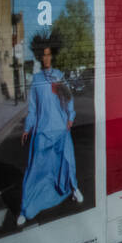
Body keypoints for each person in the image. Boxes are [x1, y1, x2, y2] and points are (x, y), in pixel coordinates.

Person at [18, 33, 83, 226]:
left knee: (67, 162)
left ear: (52, 55)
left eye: (49, 54)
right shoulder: (36, 80)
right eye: (43, 55)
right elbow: (33, 109)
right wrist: (27, 128)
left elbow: (67, 99)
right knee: (35, 169)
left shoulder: (58, 76)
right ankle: (26, 208)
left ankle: (73, 189)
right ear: (39, 56)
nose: (46, 58)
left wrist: (70, 117)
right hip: (42, 132)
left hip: (61, 130)